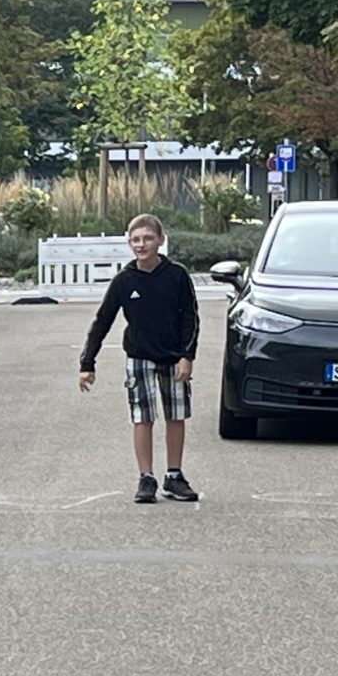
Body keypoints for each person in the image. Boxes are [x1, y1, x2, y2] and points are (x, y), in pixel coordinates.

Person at [78, 214, 201, 504]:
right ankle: (146, 477)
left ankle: (174, 475)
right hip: (139, 357)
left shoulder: (177, 275)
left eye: (147, 238)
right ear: (128, 242)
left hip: (173, 358)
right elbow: (102, 321)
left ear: (161, 239)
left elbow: (191, 318)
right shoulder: (124, 281)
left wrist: (187, 356)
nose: (141, 244)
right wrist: (87, 363)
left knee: (175, 415)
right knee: (142, 418)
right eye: (136, 239)